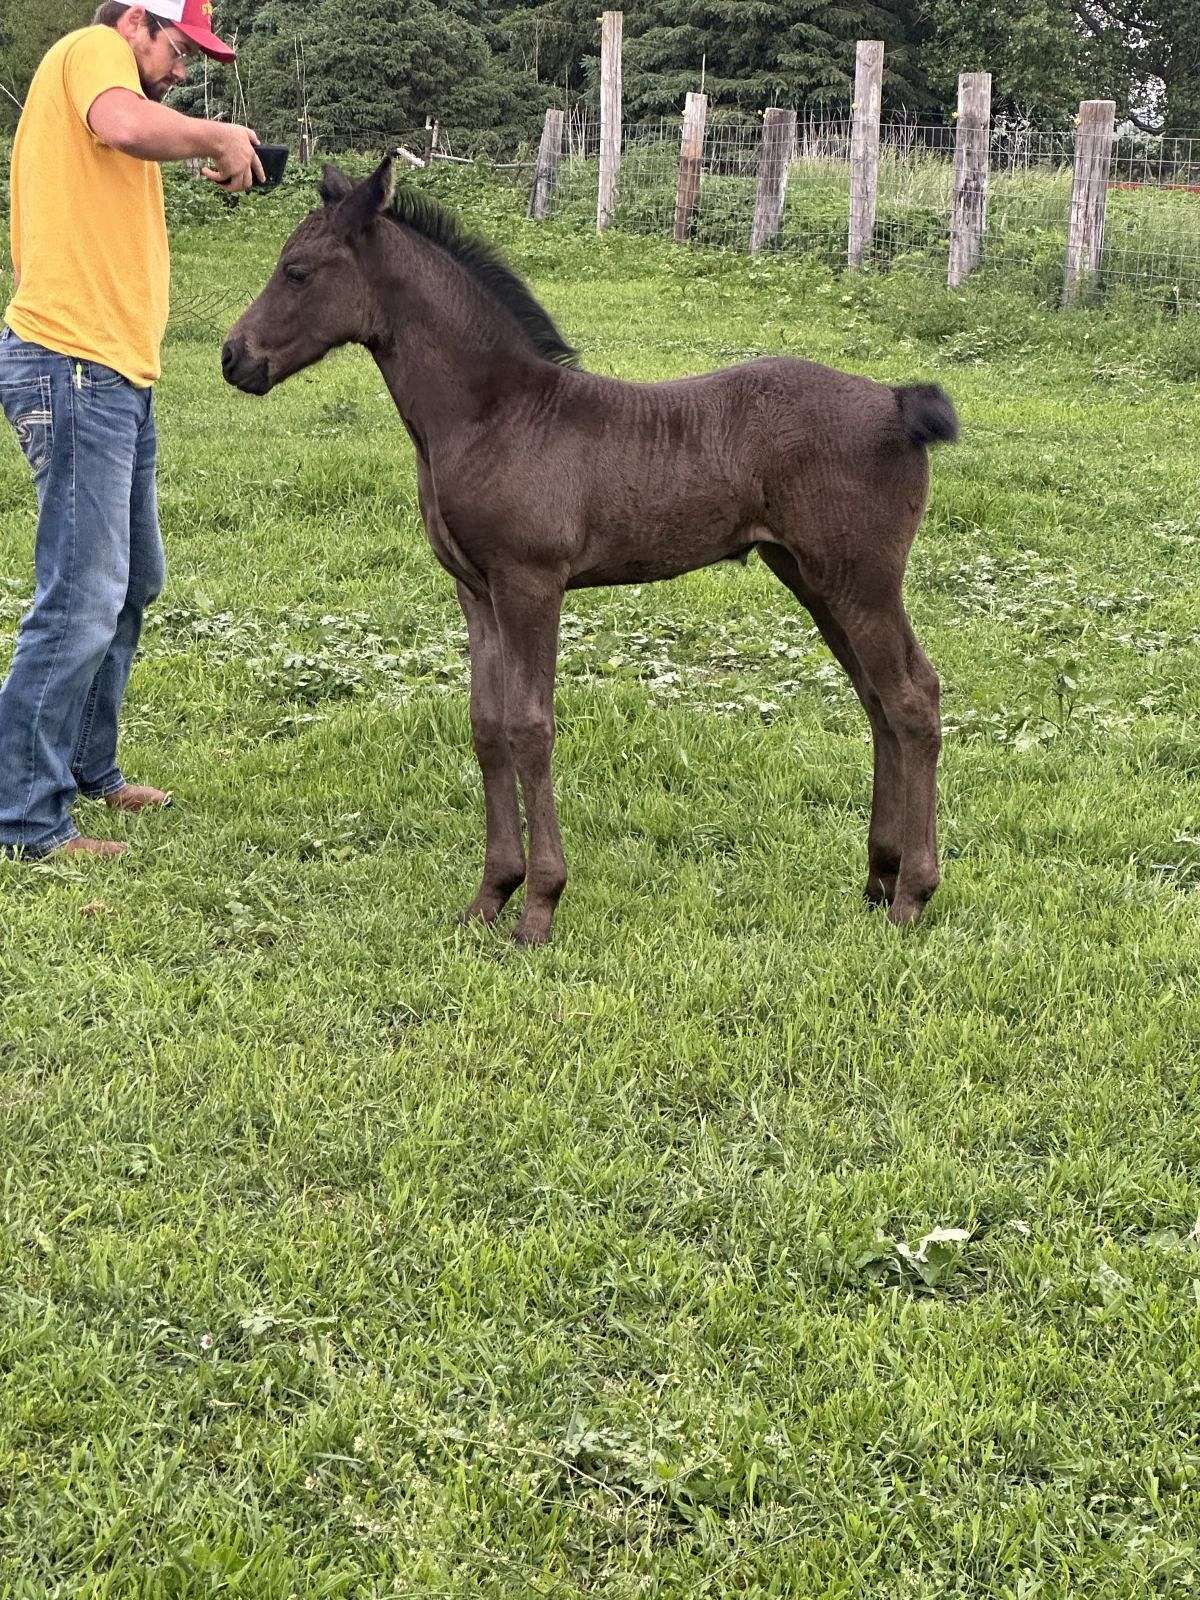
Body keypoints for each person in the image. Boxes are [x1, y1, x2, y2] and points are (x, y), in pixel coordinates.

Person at [0, 2, 263, 859]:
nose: (186, 70)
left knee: (131, 580)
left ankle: (85, 767)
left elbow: (130, 133)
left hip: (117, 378)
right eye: (181, 50)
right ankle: (28, 822)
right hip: (72, 365)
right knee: (79, 598)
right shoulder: (89, 51)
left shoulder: (119, 95)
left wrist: (190, 143)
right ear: (136, 24)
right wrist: (216, 135)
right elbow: (121, 122)